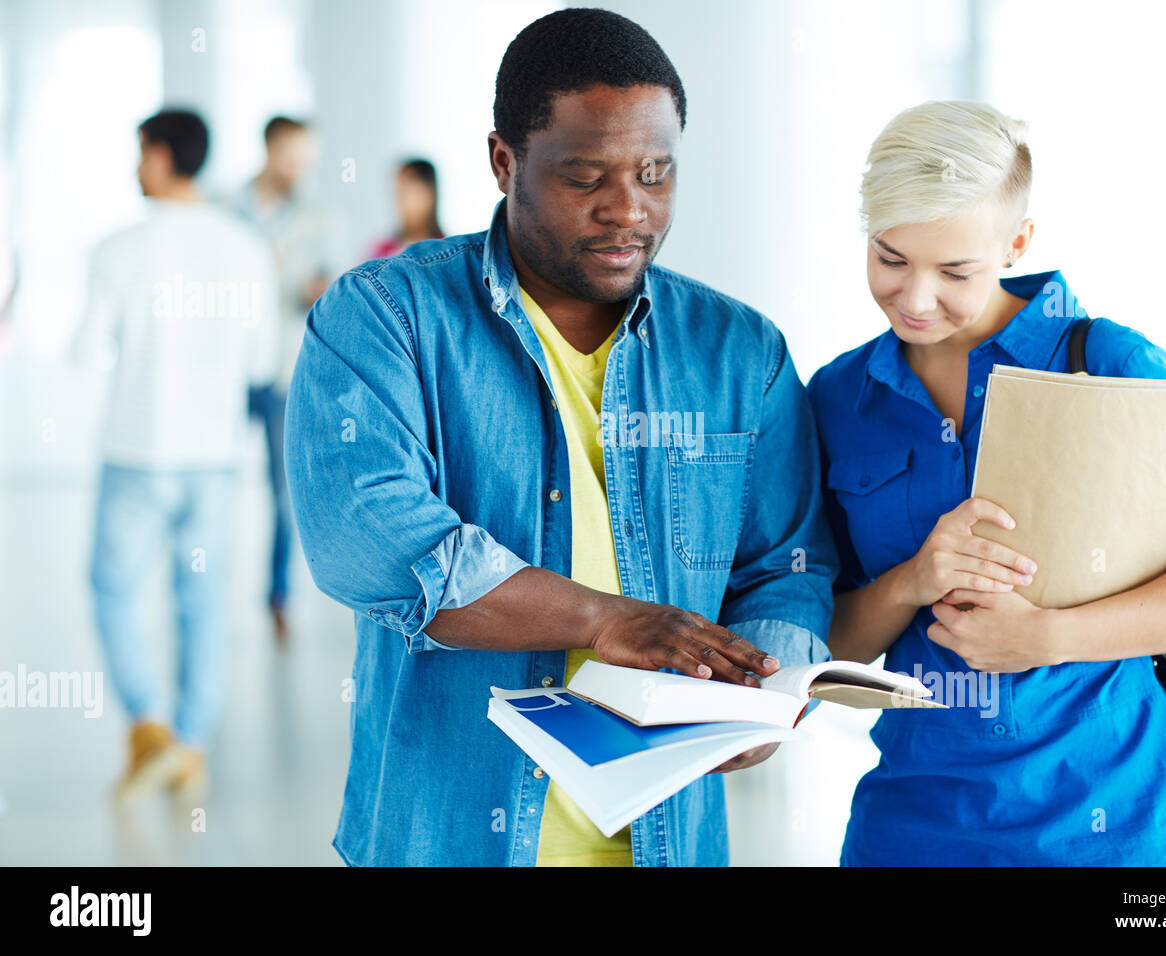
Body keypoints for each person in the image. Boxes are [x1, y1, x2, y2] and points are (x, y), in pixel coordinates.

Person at [284, 8, 835, 867]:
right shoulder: (385, 318)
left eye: (656, 174)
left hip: (668, 841)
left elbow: (787, 563)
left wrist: (763, 691)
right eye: (587, 177)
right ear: (505, 162)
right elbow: (369, 543)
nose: (630, 211)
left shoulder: (741, 352)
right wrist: (607, 619)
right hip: (447, 836)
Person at [808, 100, 1166, 866]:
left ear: (1017, 242)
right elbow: (819, 639)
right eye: (890, 258)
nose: (916, 298)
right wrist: (911, 582)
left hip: (1115, 827)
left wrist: (1045, 637)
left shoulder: (1109, 363)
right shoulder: (836, 397)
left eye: (955, 270)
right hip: (913, 826)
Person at [72, 109, 278, 806]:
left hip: (136, 450)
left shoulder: (117, 248)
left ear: (160, 157)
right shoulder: (245, 247)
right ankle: (190, 746)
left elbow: (85, 350)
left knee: (113, 589)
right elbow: (261, 363)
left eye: (139, 154)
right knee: (201, 602)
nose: (135, 168)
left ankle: (149, 726)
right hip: (214, 456)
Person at [229, 115, 342, 644]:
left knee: (282, 491)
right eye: (294, 157)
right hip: (224, 369)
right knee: (215, 484)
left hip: (281, 370)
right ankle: (205, 595)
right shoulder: (223, 208)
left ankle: (277, 598)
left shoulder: (318, 216)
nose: (302, 169)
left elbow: (325, 285)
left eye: (309, 160)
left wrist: (314, 289)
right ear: (270, 150)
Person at [366, 158, 445, 259]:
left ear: (430, 194)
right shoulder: (381, 251)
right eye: (399, 191)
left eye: (410, 191)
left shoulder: (449, 251)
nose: (401, 199)